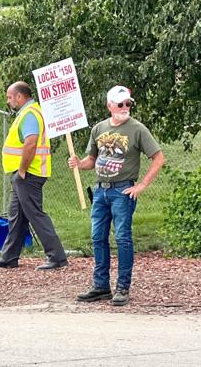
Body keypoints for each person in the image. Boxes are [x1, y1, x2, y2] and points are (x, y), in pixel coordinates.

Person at [69, 85, 165, 306]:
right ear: (110, 105)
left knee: (122, 237)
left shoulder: (137, 129)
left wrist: (141, 185)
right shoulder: (99, 128)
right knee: (98, 237)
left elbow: (158, 158)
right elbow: (91, 160)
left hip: (123, 191)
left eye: (128, 104)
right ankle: (101, 286)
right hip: (101, 190)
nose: (125, 107)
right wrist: (78, 163)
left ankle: (123, 287)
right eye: (120, 104)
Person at [0, 81, 68, 271]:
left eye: (10, 97)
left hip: (28, 173)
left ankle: (57, 256)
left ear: (19, 96)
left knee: (35, 214)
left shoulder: (30, 114)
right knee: (16, 216)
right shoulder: (29, 112)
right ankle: (9, 256)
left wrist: (22, 170)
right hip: (23, 173)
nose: (8, 101)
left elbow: (30, 144)